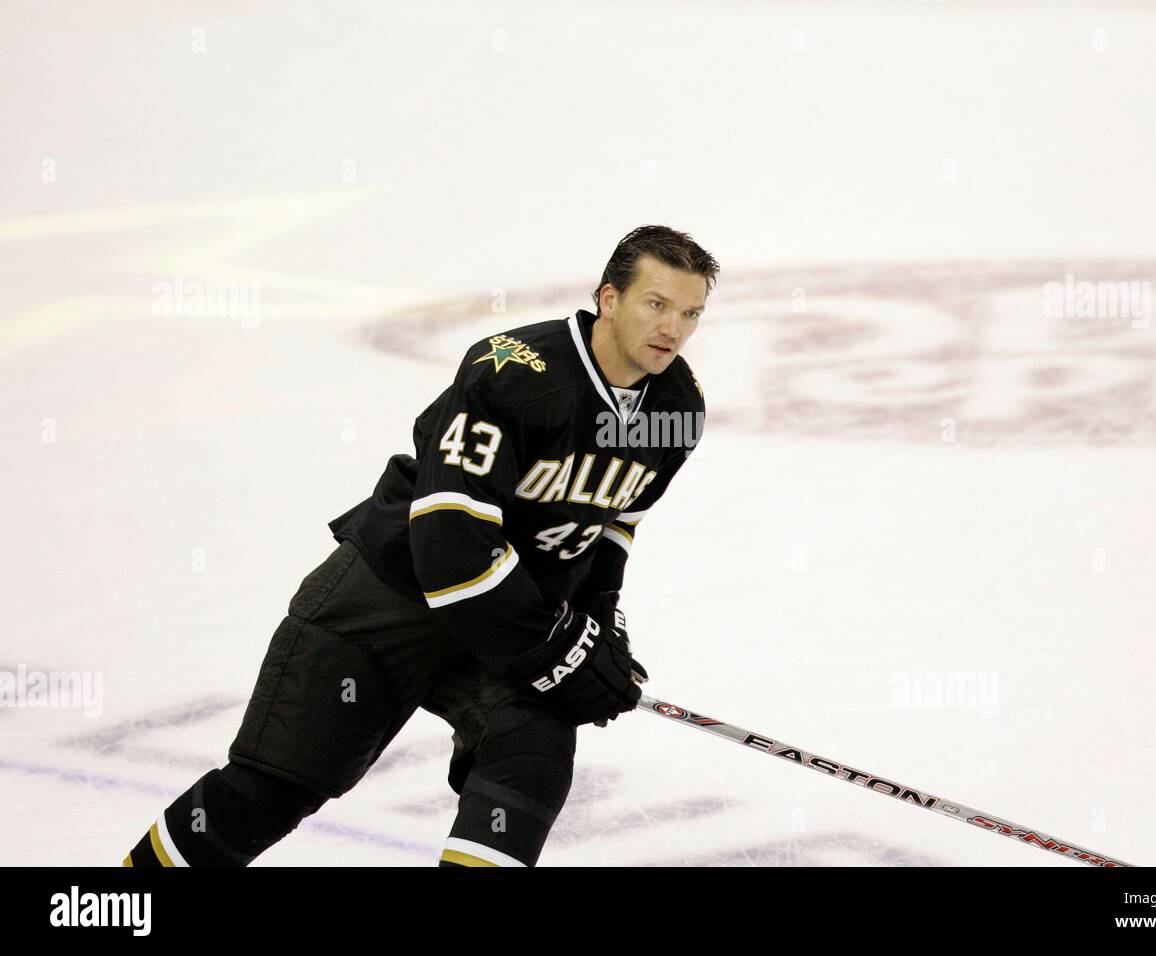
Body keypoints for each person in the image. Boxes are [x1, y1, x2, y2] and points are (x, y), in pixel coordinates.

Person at [123, 224, 718, 867]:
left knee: (529, 766)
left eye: (690, 313)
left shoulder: (678, 404)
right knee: (268, 792)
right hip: (387, 601)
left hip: (506, 626)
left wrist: (599, 622)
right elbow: (451, 549)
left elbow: (611, 520)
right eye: (656, 304)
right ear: (608, 298)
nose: (673, 328)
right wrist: (556, 646)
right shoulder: (513, 373)